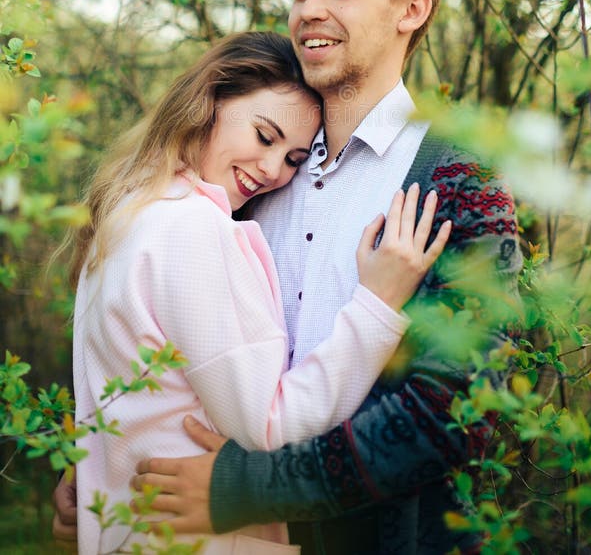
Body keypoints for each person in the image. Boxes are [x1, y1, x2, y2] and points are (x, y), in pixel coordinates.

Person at [56, 0, 521, 553]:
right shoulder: (250, 173)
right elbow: (164, 337)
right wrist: (103, 461)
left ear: (411, 10)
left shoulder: (460, 178)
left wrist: (246, 488)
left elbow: (459, 413)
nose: (309, 9)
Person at [68, 30, 451, 555]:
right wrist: (377, 305)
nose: (272, 171)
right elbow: (269, 429)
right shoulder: (190, 230)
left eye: (294, 159)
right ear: (210, 101)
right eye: (264, 136)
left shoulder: (126, 214)